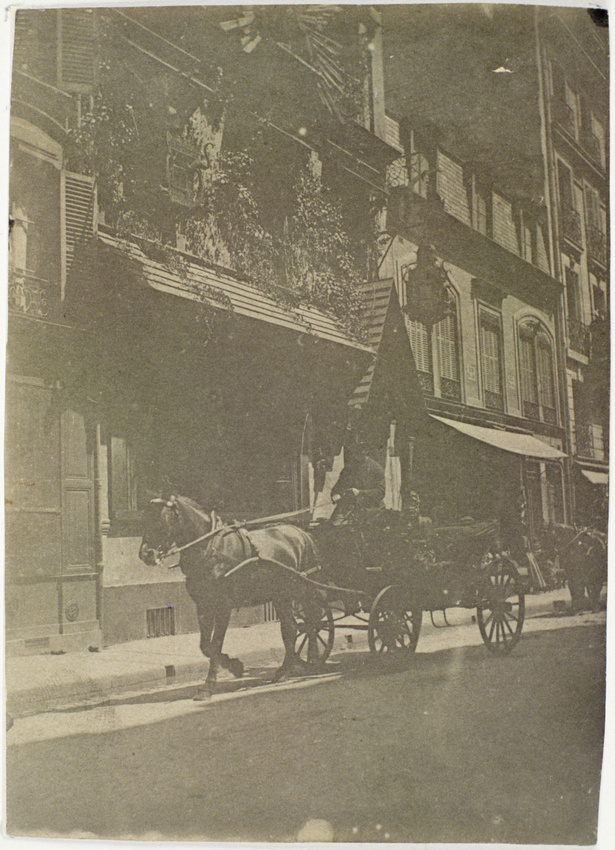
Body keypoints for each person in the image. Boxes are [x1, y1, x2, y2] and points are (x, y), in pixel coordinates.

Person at [330, 442, 385, 526]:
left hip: (370, 508)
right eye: (355, 453)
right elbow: (338, 487)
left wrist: (360, 492)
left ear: (366, 452)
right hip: (349, 507)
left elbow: (380, 492)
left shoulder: (376, 468)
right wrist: (335, 494)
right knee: (333, 526)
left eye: (359, 453)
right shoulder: (349, 468)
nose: (356, 457)